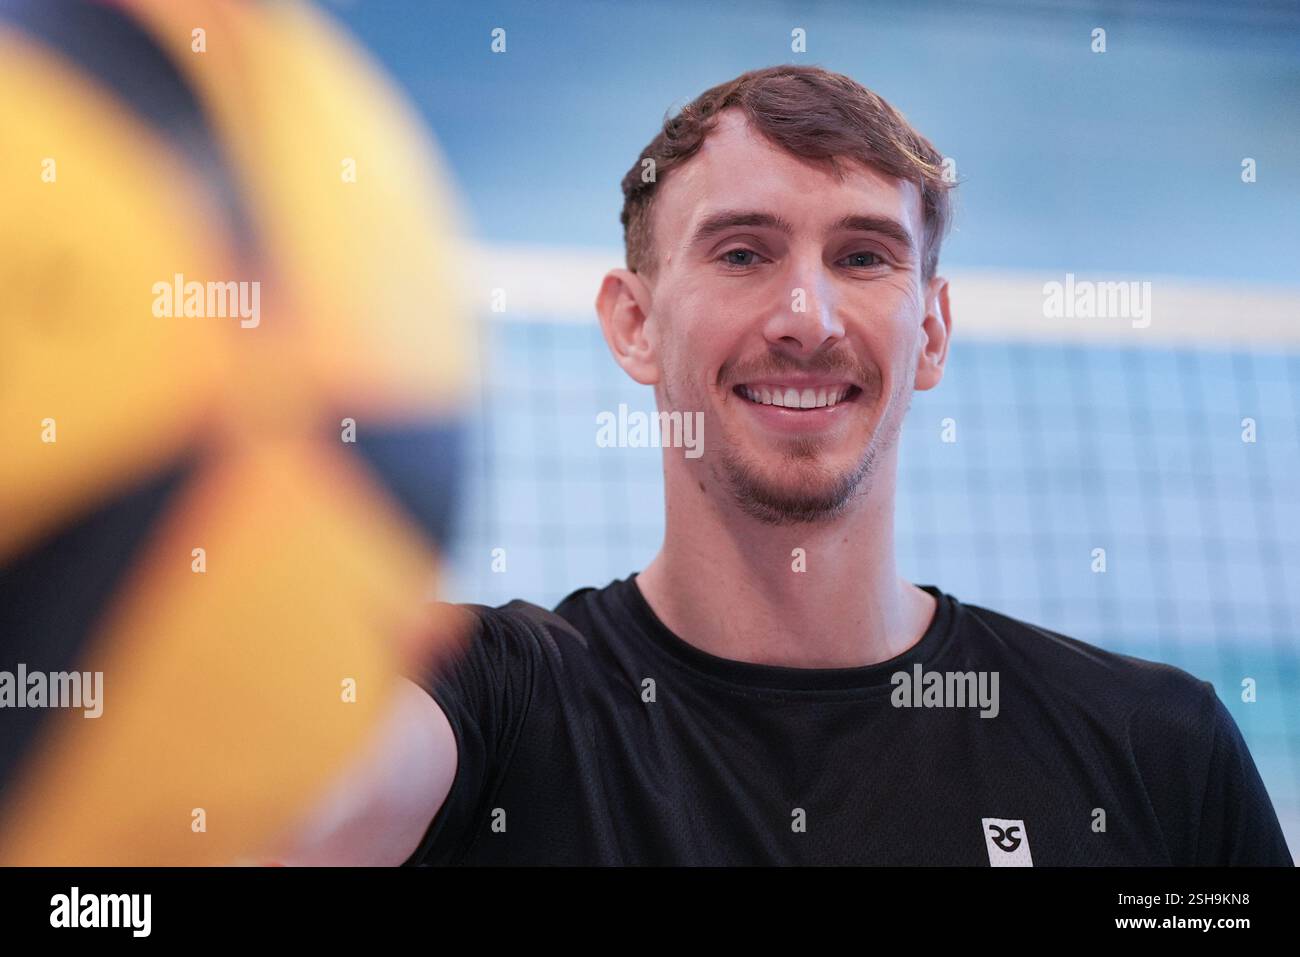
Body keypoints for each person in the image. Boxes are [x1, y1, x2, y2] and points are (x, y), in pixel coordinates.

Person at [272, 65, 1294, 866]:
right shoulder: (494, 708)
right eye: (742, 253)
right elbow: (283, 809)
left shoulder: (1156, 750)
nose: (805, 319)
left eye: (862, 257)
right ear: (632, 324)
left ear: (930, 333)